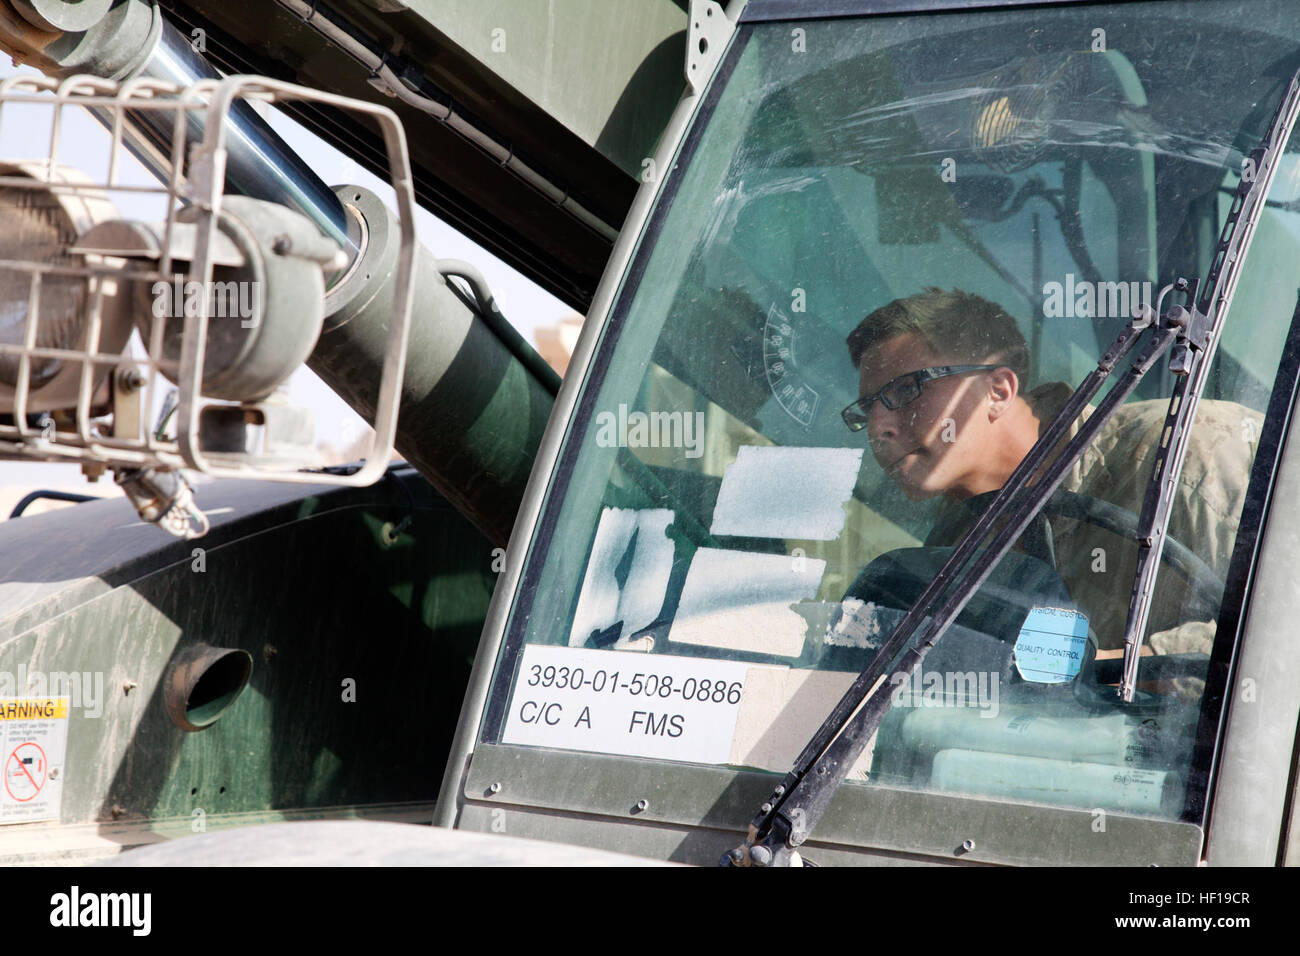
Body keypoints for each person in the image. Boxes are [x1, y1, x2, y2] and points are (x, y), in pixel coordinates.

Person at [841, 287, 1261, 668]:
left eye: (904, 391)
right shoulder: (952, 549)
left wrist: (1111, 670)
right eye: (868, 408)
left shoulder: (1189, 455)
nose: (878, 427)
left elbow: (1279, 636)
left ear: (998, 391)